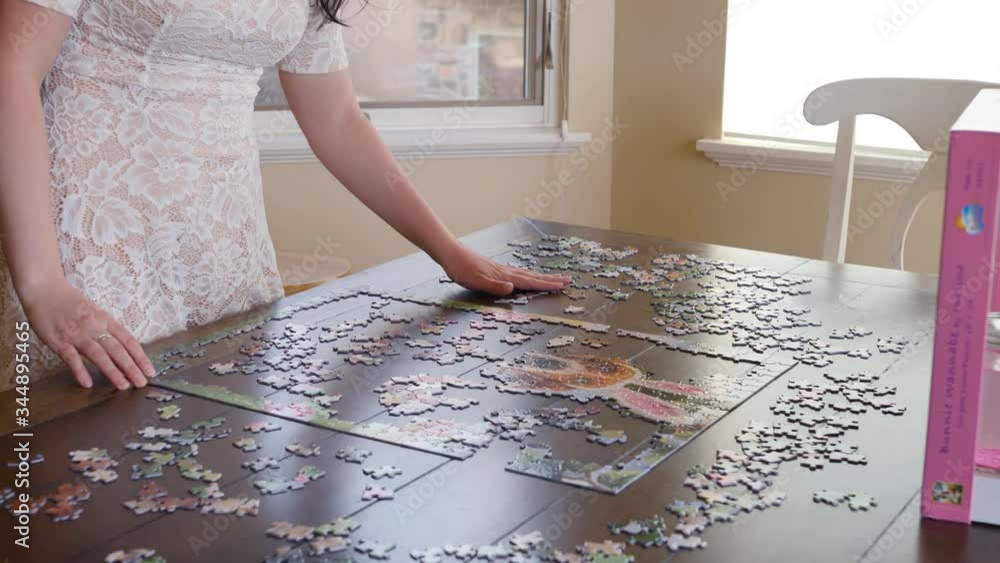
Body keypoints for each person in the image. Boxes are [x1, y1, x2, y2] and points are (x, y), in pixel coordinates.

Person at [0, 0, 569, 392]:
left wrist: (448, 251)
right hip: (90, 236)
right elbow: (10, 66)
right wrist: (43, 282)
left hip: (228, 245)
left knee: (220, 466)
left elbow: (338, 121)